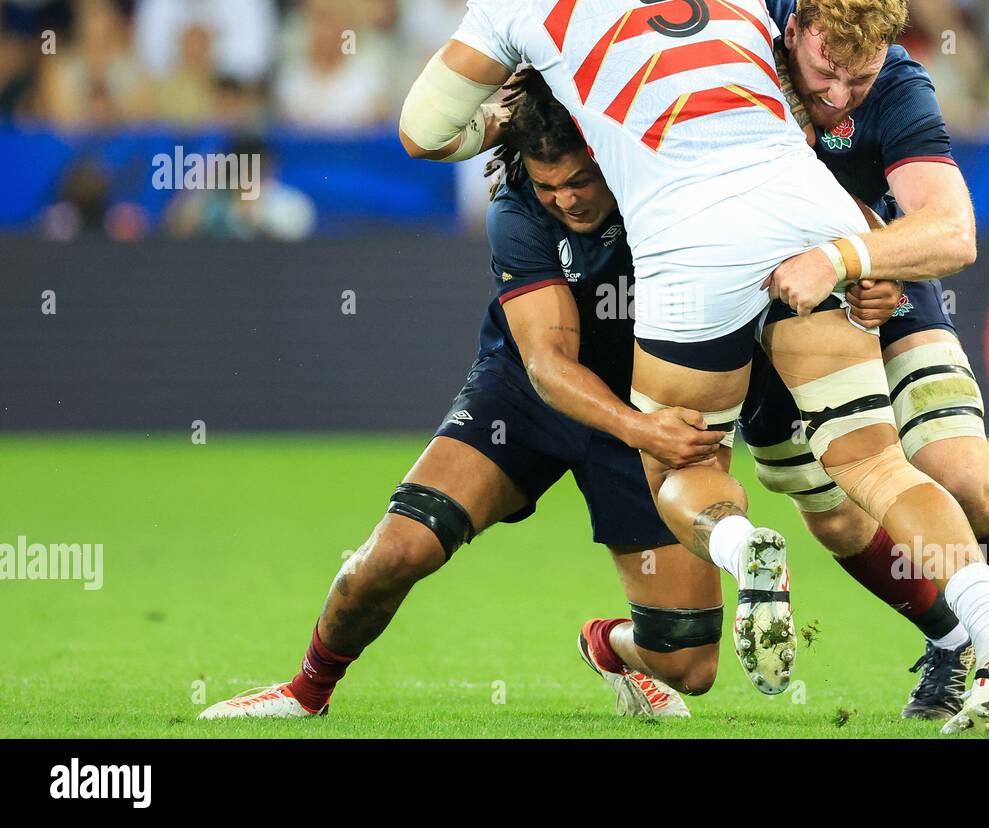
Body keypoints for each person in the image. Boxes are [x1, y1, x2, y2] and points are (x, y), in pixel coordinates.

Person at [398, 0, 989, 733]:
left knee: (680, 468)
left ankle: (746, 550)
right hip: (810, 216)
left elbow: (421, 130)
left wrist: (488, 123)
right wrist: (855, 250)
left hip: (692, 240)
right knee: (875, 466)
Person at [198, 75, 726, 721]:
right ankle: (305, 692)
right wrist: (640, 431)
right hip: (528, 399)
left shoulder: (673, 196)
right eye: (548, 184)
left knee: (689, 667)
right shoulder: (517, 212)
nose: (566, 200)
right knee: (396, 552)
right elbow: (547, 365)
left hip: (648, 402)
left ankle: (608, 647)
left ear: (608, 157)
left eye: (580, 181)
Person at [738, 0, 989, 724]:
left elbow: (954, 231)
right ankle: (953, 638)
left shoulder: (901, 86)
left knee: (963, 478)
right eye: (826, 73)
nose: (841, 97)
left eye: (863, 76)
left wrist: (853, 260)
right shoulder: (736, 24)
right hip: (762, 301)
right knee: (835, 513)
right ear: (795, 30)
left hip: (876, 280)